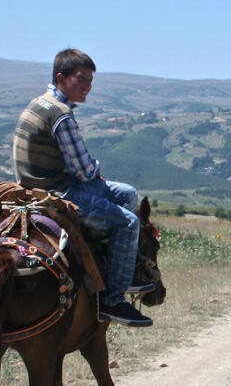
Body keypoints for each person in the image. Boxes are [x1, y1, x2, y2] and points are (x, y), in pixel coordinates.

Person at [13, 48, 152, 327]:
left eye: (90, 79)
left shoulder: (40, 102)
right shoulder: (61, 115)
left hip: (34, 182)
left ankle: (115, 266)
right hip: (57, 190)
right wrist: (96, 169)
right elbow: (83, 170)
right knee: (128, 223)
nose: (88, 86)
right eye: (82, 78)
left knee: (127, 193)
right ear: (61, 77)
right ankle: (113, 299)